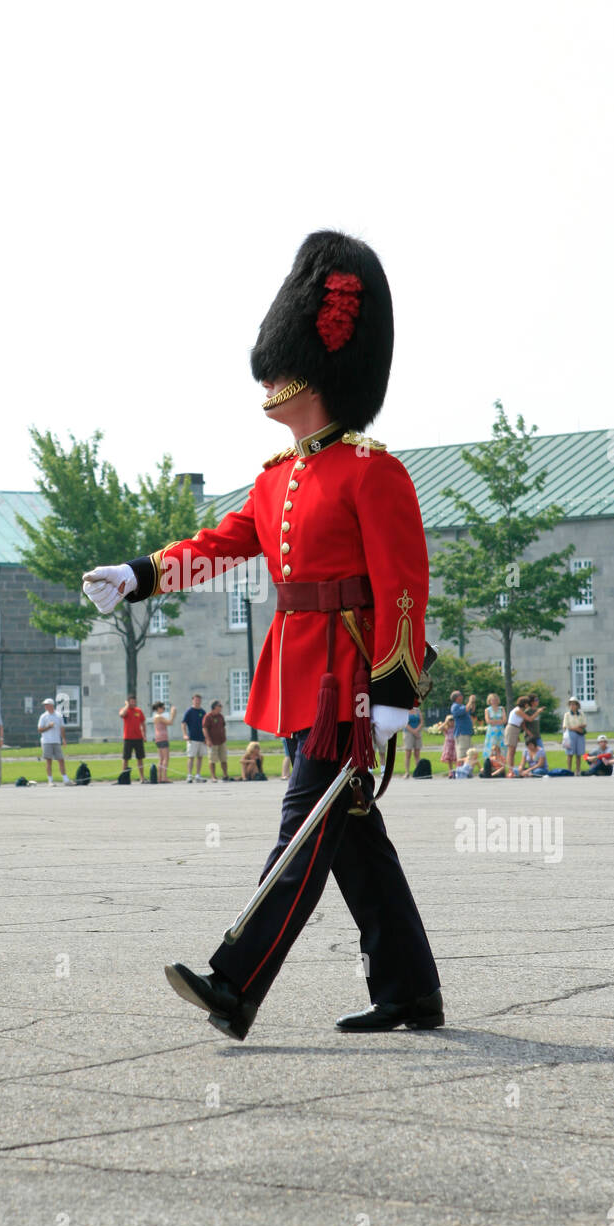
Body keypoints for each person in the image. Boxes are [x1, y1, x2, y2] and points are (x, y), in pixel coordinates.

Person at [83, 228, 442, 1040]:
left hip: (347, 678)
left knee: (302, 827)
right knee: (350, 837)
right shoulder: (278, 476)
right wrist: (138, 574)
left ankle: (235, 983)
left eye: (282, 367)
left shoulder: (372, 469)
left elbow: (403, 588)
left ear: (319, 375)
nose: (269, 380)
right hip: (298, 672)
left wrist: (393, 690)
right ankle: (410, 989)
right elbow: (219, 546)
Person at [38, 699, 71, 785]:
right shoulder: (43, 716)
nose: (45, 707)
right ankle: (50, 780)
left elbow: (62, 728)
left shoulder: (58, 716)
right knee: (49, 761)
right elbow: (40, 729)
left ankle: (65, 779)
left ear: (51, 705)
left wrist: (63, 739)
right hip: (47, 741)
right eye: (45, 705)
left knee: (61, 760)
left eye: (47, 705)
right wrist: (48, 727)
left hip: (56, 741)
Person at [118, 695, 147, 782]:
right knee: (126, 758)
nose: (133, 703)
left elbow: (143, 723)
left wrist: (144, 735)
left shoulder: (138, 711)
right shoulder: (125, 710)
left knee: (140, 758)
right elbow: (121, 714)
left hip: (138, 737)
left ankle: (142, 777)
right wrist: (126, 705)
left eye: (134, 701)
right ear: (128, 702)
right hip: (128, 738)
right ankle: (124, 777)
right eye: (131, 701)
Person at [181, 693, 207, 783]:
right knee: (191, 757)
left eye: (199, 700)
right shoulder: (189, 711)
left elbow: (205, 725)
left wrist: (206, 737)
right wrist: (185, 734)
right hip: (192, 738)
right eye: (196, 700)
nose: (197, 702)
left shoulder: (203, 712)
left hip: (201, 738)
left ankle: (198, 775)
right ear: (193, 700)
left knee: (200, 757)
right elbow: (183, 723)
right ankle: (189, 775)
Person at [149, 701, 177, 782]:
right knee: (165, 758)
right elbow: (170, 722)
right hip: (162, 738)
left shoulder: (156, 716)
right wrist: (173, 713)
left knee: (161, 759)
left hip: (158, 738)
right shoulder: (159, 717)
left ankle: (160, 777)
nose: (164, 709)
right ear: (158, 708)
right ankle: (164, 777)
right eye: (163, 708)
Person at [203, 700, 229, 781]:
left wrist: (224, 737)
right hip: (212, 742)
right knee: (212, 759)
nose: (221, 707)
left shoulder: (221, 716)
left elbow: (223, 727)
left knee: (224, 759)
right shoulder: (208, 717)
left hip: (221, 741)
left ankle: (225, 775)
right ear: (214, 707)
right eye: (219, 706)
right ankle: (213, 776)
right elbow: (205, 729)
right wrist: (208, 740)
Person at [504, 696, 530, 774]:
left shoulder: (520, 711)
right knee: (511, 751)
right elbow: (529, 719)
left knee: (513, 751)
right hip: (512, 728)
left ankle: (511, 768)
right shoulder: (518, 710)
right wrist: (538, 712)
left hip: (516, 729)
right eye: (527, 704)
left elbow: (521, 723)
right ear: (525, 704)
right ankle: (510, 770)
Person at [561, 697, 587, 775]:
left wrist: (579, 728)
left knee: (579, 753)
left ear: (577, 705)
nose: (572, 706)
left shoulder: (581, 714)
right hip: (570, 734)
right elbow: (565, 726)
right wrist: (576, 728)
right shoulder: (567, 714)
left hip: (580, 735)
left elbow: (584, 724)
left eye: (574, 704)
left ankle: (578, 770)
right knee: (570, 753)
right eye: (571, 705)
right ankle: (569, 769)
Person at [450, 690, 476, 762]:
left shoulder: (462, 705)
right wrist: (470, 701)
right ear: (457, 697)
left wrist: (473, 702)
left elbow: (472, 710)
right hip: (461, 734)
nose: (462, 696)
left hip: (467, 733)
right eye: (460, 695)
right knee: (462, 754)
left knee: (470, 753)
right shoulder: (455, 706)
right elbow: (466, 709)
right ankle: (460, 771)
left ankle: (467, 770)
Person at [402, 704, 423, 776]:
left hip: (418, 732)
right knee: (408, 753)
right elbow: (404, 723)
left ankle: (418, 771)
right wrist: (413, 731)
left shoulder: (417, 710)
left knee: (417, 753)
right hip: (408, 733)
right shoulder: (405, 710)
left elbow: (421, 721)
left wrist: (416, 730)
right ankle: (407, 772)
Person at [482, 693, 505, 757]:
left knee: (501, 745)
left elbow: (504, 720)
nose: (494, 701)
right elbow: (488, 721)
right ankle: (491, 760)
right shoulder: (487, 710)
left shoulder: (501, 709)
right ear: (489, 701)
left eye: (496, 700)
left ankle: (502, 760)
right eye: (493, 700)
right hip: (492, 731)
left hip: (500, 730)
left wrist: (494, 721)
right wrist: (498, 721)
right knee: (491, 745)